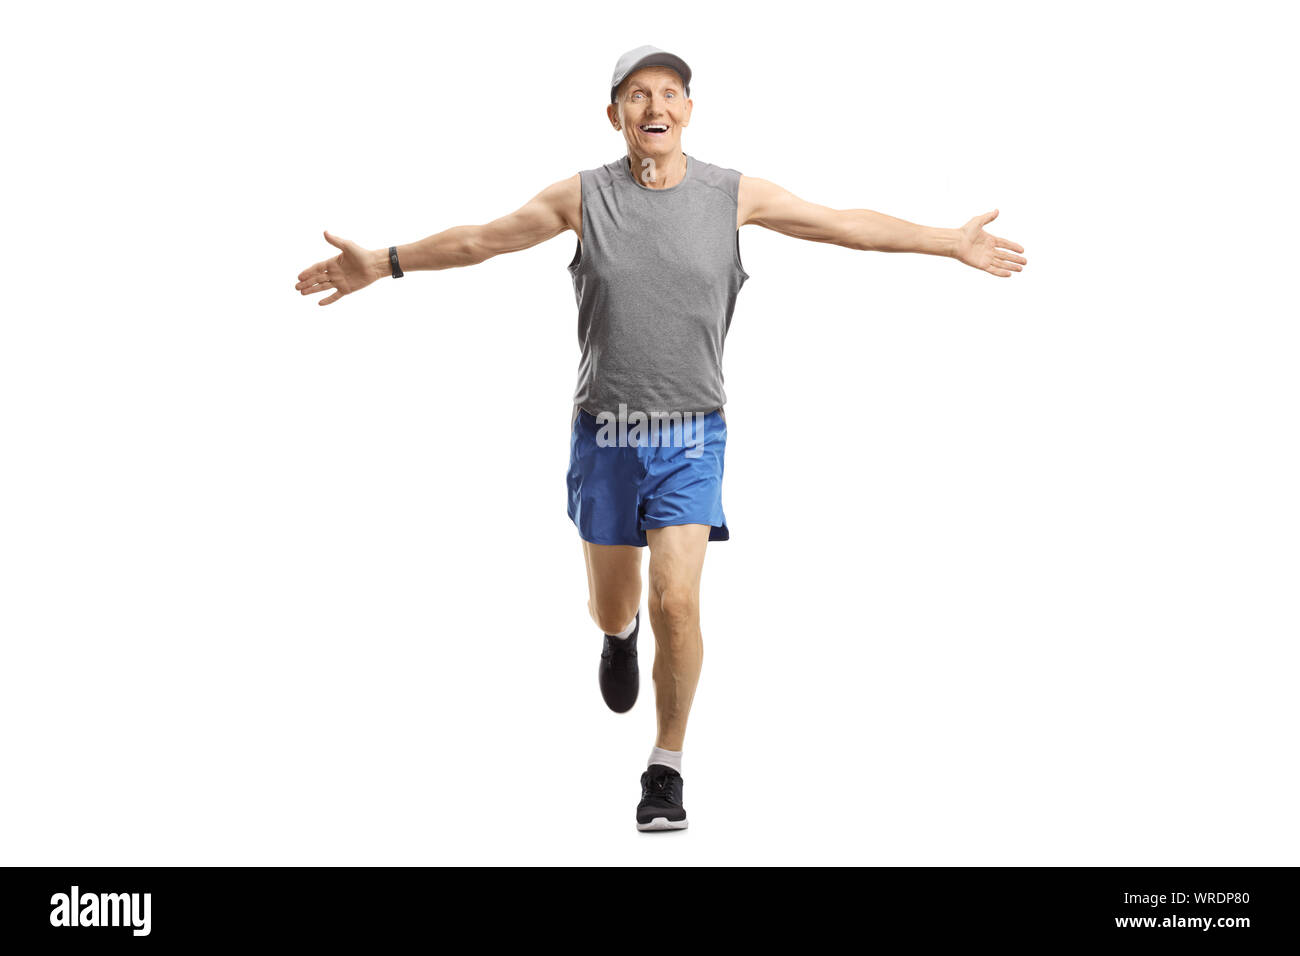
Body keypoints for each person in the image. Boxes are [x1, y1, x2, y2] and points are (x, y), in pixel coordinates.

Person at [294, 45, 1027, 832]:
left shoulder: (732, 195)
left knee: (678, 601)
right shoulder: (580, 198)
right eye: (637, 94)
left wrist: (948, 241)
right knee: (618, 607)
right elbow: (482, 239)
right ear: (615, 115)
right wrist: (386, 262)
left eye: (671, 93)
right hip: (605, 435)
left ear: (688, 110)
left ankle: (666, 767)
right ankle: (618, 635)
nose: (656, 106)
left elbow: (841, 223)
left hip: (692, 436)